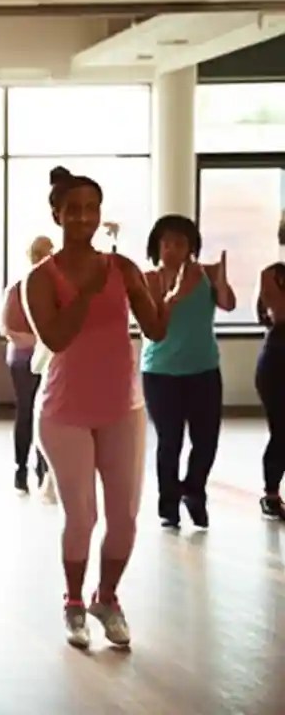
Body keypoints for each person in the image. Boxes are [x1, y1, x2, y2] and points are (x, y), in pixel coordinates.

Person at [23, 166, 178, 649]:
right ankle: (73, 602)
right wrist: (87, 294)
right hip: (64, 411)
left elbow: (154, 330)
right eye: (74, 210)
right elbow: (57, 337)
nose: (84, 217)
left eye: (91, 209)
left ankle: (106, 598)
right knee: (82, 517)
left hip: (121, 407)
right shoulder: (40, 279)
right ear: (57, 214)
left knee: (126, 517)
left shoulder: (123, 268)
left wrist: (166, 295)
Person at [140, 215, 235, 529]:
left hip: (203, 369)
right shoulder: (148, 279)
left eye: (179, 243)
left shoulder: (204, 275)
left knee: (206, 440)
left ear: (190, 247)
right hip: (160, 373)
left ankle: (194, 491)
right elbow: (152, 321)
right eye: (166, 242)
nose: (171, 248)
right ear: (156, 246)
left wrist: (220, 282)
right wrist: (177, 293)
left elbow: (228, 304)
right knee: (170, 441)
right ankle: (169, 504)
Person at [1, 236, 54, 494]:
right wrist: (40, 339)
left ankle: (43, 467)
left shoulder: (55, 287)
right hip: (24, 359)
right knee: (26, 411)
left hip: (49, 359)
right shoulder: (17, 288)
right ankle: (20, 468)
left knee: (46, 413)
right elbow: (7, 328)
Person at [255, 261, 285, 520]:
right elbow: (279, 312)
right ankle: (271, 494)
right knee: (282, 429)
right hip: (278, 361)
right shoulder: (273, 274)